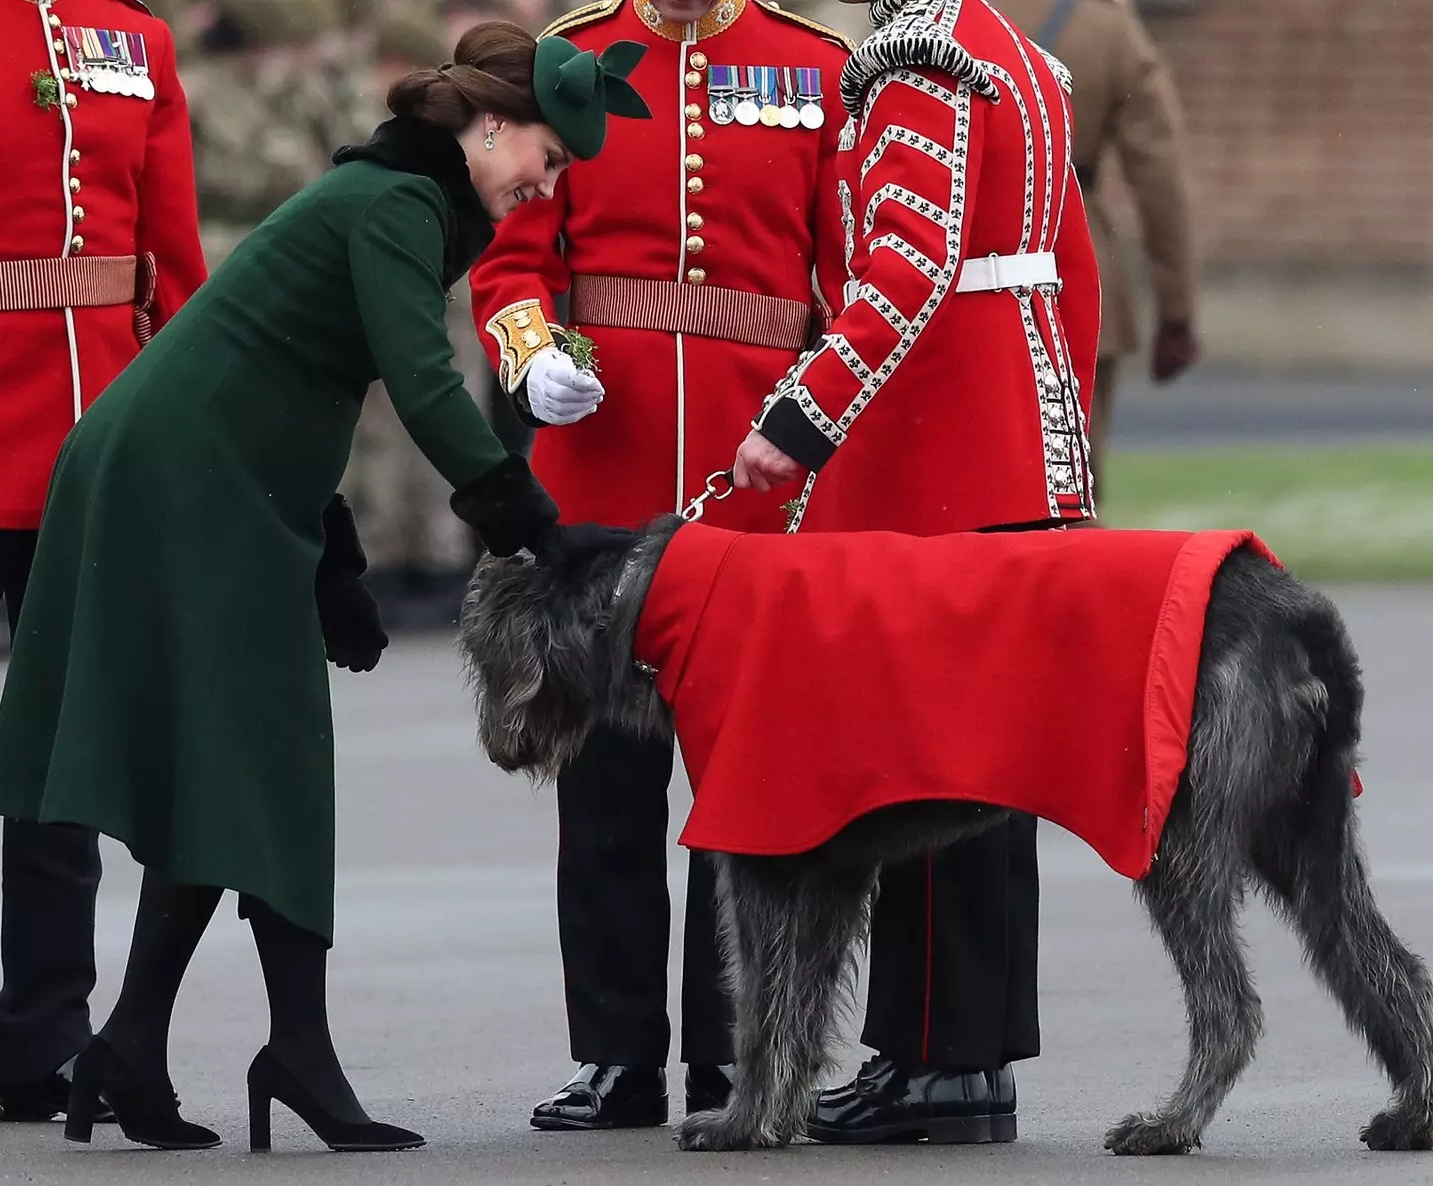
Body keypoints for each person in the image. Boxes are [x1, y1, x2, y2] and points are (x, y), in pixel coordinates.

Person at [0, 23, 651, 1153]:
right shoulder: (398, 206)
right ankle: (289, 1051)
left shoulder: (407, 202)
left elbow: (294, 366)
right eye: (546, 152)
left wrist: (328, 542)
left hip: (219, 476)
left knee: (236, 768)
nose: (549, 178)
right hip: (184, 483)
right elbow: (418, 375)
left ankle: (136, 1044)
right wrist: (526, 517)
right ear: (487, 128)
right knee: (269, 755)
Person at [468, 0, 852, 1131]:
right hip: (604, 473)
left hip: (756, 480)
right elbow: (512, 262)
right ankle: (617, 1053)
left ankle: (738, 1057)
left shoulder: (811, 66)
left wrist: (819, 427)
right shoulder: (571, 60)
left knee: (751, 792)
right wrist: (532, 359)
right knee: (602, 794)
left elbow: (842, 277)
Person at [731, 0, 1101, 1145]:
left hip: (941, 455)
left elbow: (906, 266)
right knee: (986, 781)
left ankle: (937, 1058)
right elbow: (1072, 274)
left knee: (929, 774)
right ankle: (965, 1058)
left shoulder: (919, 60)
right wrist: (1064, 448)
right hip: (1015, 450)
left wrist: (800, 420)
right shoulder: (1025, 62)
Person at [0, 0, 205, 1127]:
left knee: (62, 758)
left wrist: (194, 431)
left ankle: (48, 1034)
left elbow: (169, 262)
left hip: (92, 445)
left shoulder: (132, 37)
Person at [996, 0, 1198, 501]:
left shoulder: (934, 16)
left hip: (955, 263)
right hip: (1072, 260)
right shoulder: (1104, 24)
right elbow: (1158, 175)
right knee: (1070, 494)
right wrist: (1177, 311)